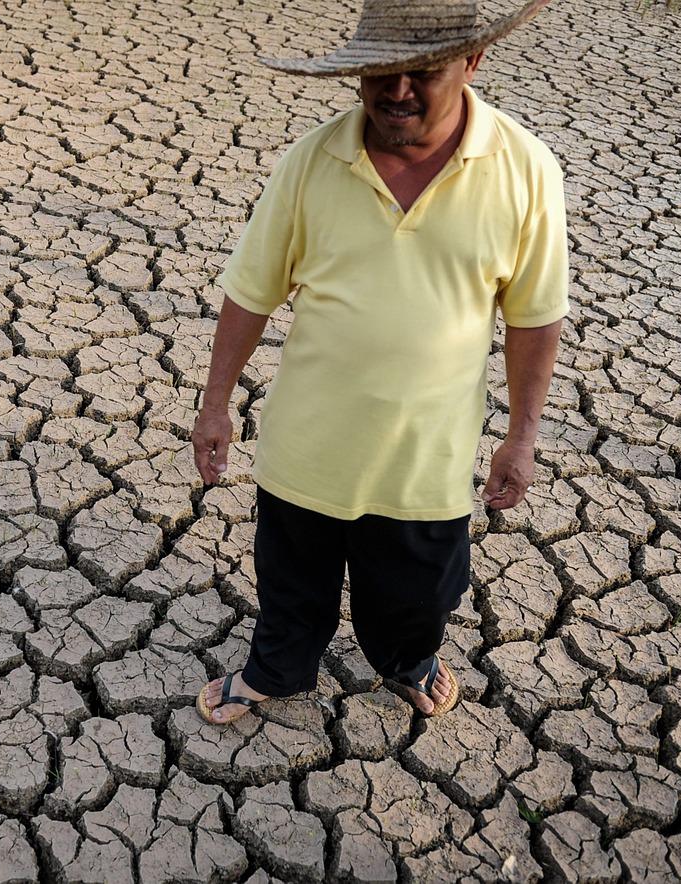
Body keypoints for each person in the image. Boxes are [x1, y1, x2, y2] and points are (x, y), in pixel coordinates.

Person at [193, 0, 567, 724]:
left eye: (422, 72)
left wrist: (522, 437)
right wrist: (215, 404)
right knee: (290, 582)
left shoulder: (525, 170)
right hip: (308, 447)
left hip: (426, 461)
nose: (397, 92)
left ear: (472, 62)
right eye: (380, 73)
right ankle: (277, 667)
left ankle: (406, 660)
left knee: (418, 594)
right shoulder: (313, 160)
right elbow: (250, 293)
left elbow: (534, 316)